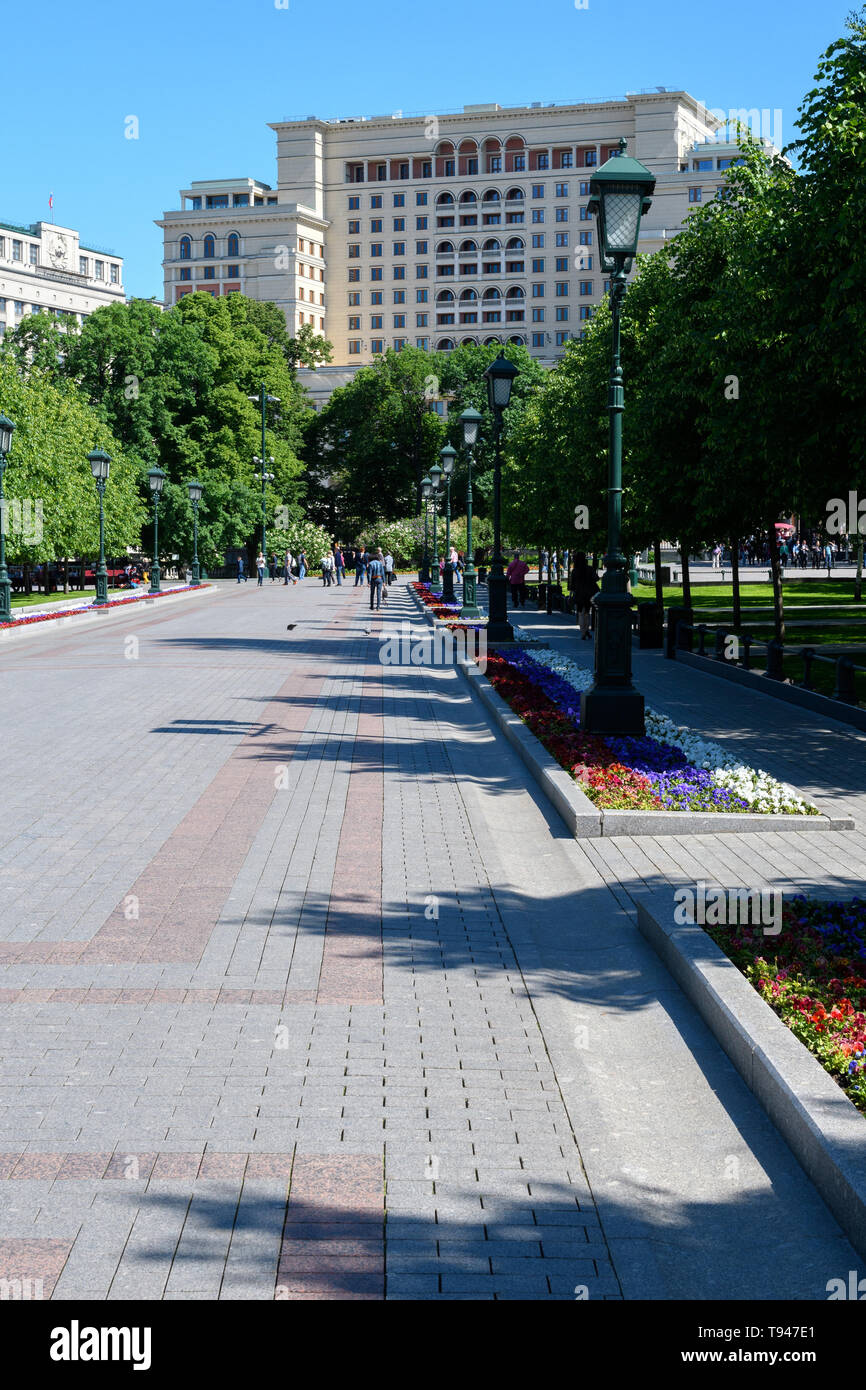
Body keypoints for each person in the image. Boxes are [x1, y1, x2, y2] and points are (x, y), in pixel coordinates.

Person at [569, 553, 599, 639]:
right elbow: (596, 579)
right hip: (589, 593)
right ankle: (586, 630)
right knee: (587, 613)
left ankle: (583, 632)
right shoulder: (590, 569)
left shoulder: (575, 571)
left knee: (580, 613)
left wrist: (571, 595)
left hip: (579, 594)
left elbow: (572, 586)